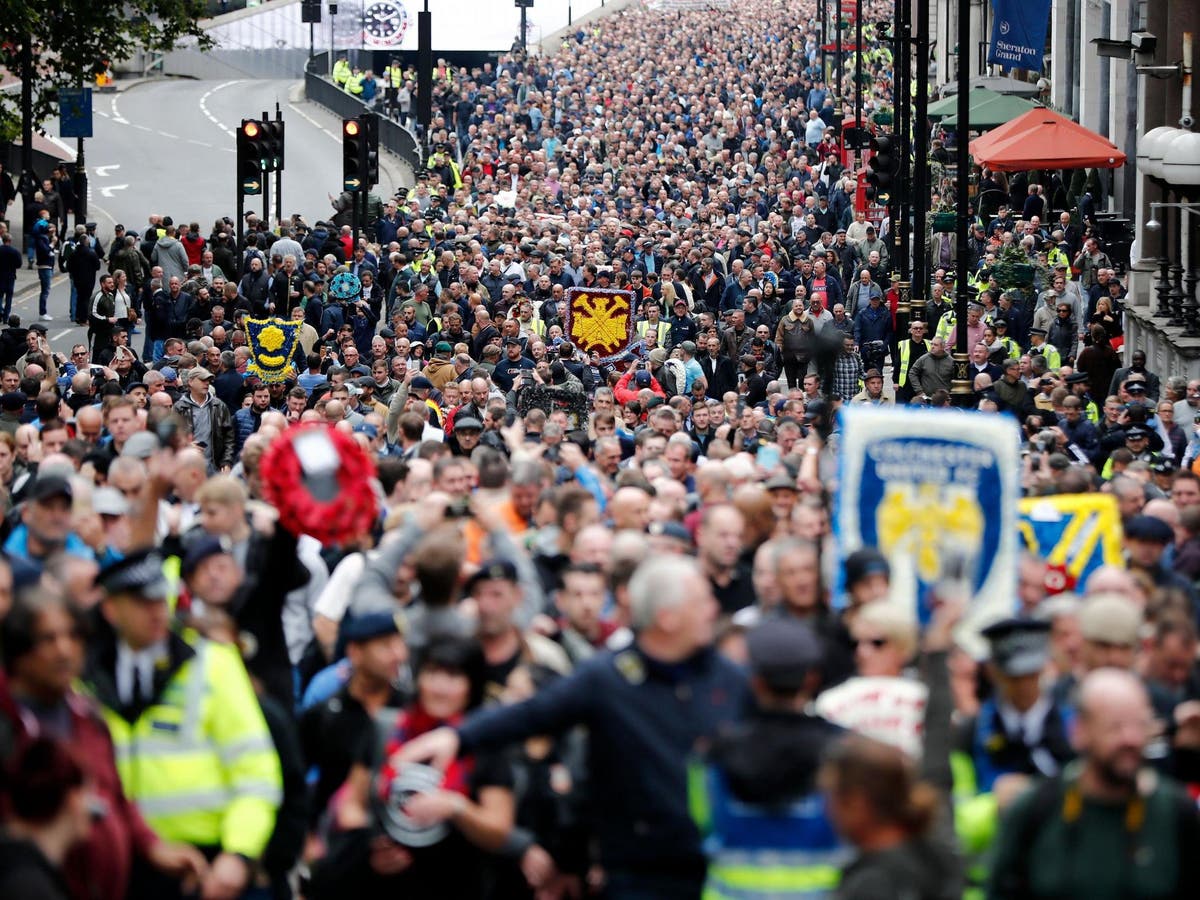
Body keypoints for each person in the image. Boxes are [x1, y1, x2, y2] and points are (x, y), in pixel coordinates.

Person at [390, 555, 749, 899]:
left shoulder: (729, 679)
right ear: (667, 617)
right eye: (701, 602)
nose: (713, 609)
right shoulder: (610, 679)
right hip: (639, 870)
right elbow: (533, 712)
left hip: (720, 864)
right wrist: (459, 736)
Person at [84, 550, 283, 900]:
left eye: (162, 598)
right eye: (143, 602)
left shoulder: (214, 664)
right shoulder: (85, 678)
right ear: (111, 610)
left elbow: (257, 770)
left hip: (206, 864)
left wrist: (239, 854)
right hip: (119, 860)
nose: (158, 610)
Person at [312, 635, 513, 899]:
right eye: (432, 673)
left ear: (472, 685)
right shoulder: (388, 728)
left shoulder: (485, 744)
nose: (439, 687)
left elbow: (499, 832)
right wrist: (371, 846)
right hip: (383, 885)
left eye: (453, 677)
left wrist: (456, 807)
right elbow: (353, 804)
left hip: (456, 884)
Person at [988, 669, 1200, 899]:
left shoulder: (1176, 814)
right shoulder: (1036, 811)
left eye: (1139, 725)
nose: (1129, 739)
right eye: (1114, 727)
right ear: (1079, 731)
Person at [689, 616, 848, 898]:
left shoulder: (713, 753)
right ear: (811, 678)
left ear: (755, 680)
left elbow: (698, 821)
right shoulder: (844, 752)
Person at [0, 738, 93, 900]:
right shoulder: (28, 887)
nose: (94, 807)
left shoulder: (19, 866)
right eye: (89, 794)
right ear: (74, 799)